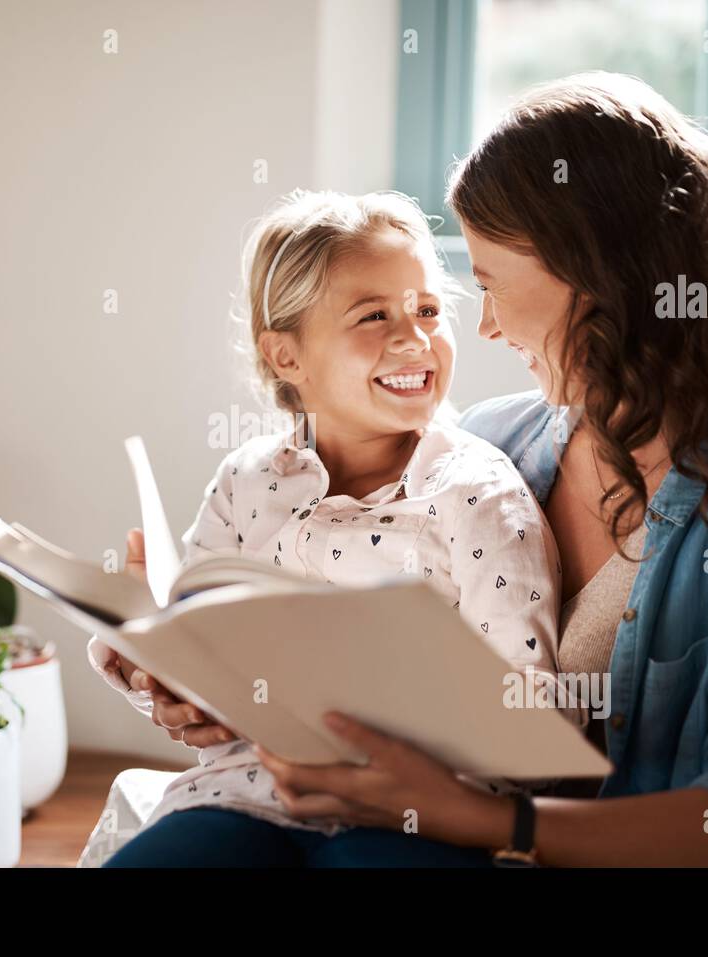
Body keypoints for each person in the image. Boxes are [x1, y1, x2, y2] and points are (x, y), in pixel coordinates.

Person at [105, 73, 708, 867]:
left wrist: (486, 820)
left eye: (484, 287)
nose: (480, 326)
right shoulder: (496, 439)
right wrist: (202, 685)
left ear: (597, 276)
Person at [91, 189, 582, 867]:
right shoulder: (247, 480)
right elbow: (201, 662)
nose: (415, 338)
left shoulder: (479, 494)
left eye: (428, 309)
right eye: (373, 315)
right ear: (286, 357)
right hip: (246, 792)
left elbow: (527, 720)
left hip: (411, 817)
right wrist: (154, 666)